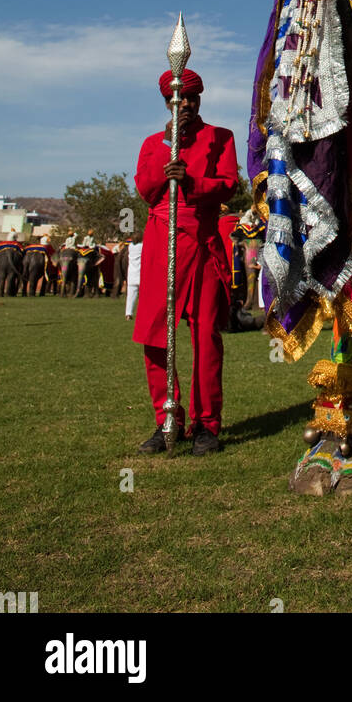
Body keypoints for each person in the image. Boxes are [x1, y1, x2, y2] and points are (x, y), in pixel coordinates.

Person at [133, 68, 238, 455]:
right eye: (179, 100)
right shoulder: (151, 143)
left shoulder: (220, 138)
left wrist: (191, 181)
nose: (186, 105)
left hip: (204, 240)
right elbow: (145, 189)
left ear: (199, 100)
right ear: (167, 102)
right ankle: (166, 421)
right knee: (154, 335)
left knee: (205, 335)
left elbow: (229, 183)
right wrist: (167, 148)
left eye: (192, 99)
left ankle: (206, 424)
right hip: (162, 239)